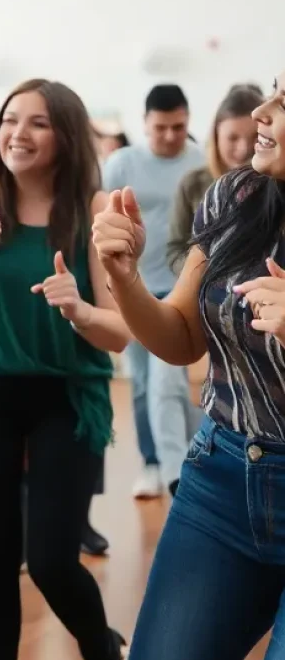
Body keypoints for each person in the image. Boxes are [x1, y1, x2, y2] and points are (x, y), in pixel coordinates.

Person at [92, 73, 285, 660]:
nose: (263, 111)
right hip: (224, 481)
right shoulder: (236, 196)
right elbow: (181, 337)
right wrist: (123, 281)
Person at [0, 79, 130, 660]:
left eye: (37, 123)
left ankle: (100, 655)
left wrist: (81, 311)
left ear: (65, 134)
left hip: (66, 395)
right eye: (11, 120)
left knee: (52, 562)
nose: (19, 134)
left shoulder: (94, 211)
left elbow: (121, 332)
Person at [102, 84, 204, 499]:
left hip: (183, 285)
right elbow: (103, 219)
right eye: (160, 127)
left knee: (170, 382)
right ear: (145, 124)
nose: (169, 135)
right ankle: (152, 461)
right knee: (143, 384)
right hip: (134, 288)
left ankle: (180, 469)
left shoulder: (200, 161)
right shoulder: (122, 163)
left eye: (178, 127)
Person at [167, 83, 263, 269]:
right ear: (216, 136)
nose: (244, 148)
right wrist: (201, 276)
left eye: (254, 137)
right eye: (233, 138)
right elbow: (175, 249)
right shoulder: (192, 184)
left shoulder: (278, 186)